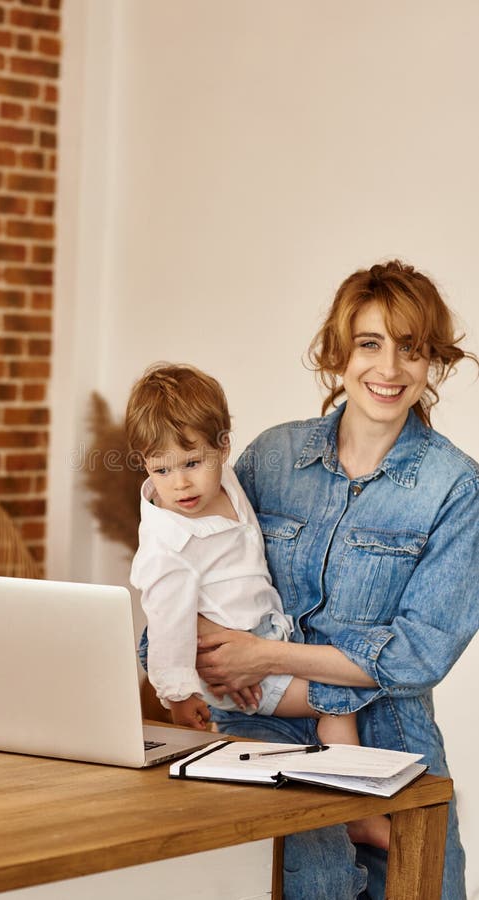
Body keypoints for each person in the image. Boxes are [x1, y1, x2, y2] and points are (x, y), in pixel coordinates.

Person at [191, 260, 479, 899]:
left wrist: (262, 654)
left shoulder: (457, 489)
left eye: (410, 348)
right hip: (258, 732)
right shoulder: (272, 457)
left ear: (430, 360)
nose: (390, 369)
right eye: (370, 343)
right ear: (338, 354)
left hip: (391, 750)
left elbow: (415, 658)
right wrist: (185, 661)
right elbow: (200, 563)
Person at [126, 363, 390, 850]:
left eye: (192, 463)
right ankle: (360, 810)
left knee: (328, 705)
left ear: (224, 447)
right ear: (145, 465)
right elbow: (165, 624)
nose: (180, 484)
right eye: (161, 470)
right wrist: (179, 696)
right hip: (237, 673)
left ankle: (339, 796)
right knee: (340, 697)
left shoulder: (228, 484)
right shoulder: (168, 543)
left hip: (266, 646)